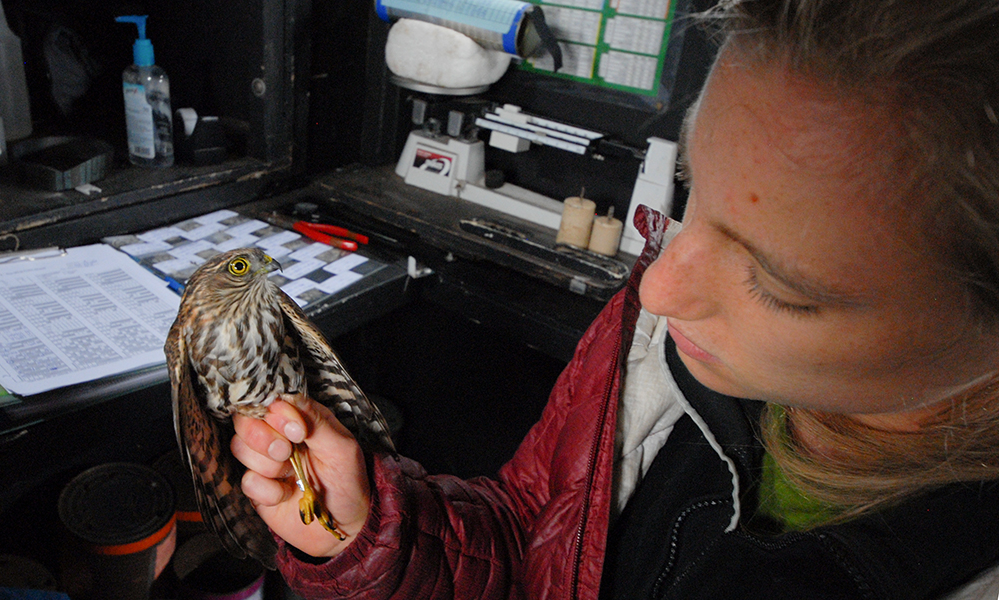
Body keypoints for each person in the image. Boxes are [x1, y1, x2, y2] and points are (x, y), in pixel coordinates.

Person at [229, 0, 999, 597]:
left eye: (778, 286)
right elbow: (539, 536)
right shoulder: (662, 335)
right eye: (695, 198)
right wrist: (371, 533)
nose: (659, 288)